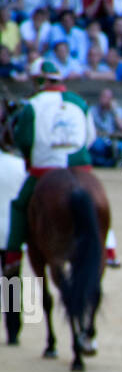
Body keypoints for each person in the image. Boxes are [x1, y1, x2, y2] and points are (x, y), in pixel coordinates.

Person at [5, 57, 110, 271]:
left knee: (18, 206)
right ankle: (108, 248)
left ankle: (13, 258)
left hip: (44, 169)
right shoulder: (79, 101)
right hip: (79, 167)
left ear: (40, 81)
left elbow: (24, 140)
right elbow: (89, 137)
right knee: (98, 200)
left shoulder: (32, 105)